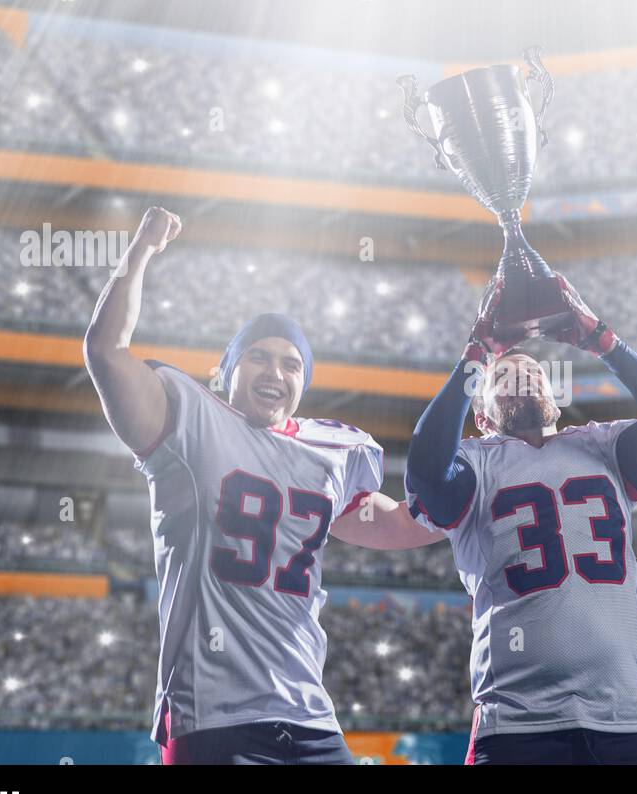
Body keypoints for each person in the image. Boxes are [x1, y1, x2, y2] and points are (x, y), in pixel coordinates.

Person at [83, 206, 441, 765]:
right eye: (259, 357)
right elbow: (106, 352)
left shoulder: (331, 452)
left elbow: (398, 523)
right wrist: (141, 252)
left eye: (292, 365)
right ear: (225, 370)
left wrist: (469, 503)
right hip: (212, 712)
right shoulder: (188, 422)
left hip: (308, 713)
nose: (275, 373)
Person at [405, 276, 637, 764]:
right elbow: (426, 469)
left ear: (556, 398)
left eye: (534, 373)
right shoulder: (476, 464)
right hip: (519, 724)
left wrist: (602, 340)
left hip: (627, 718)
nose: (522, 379)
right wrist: (476, 355)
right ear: (480, 416)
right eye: (504, 378)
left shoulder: (601, 446)